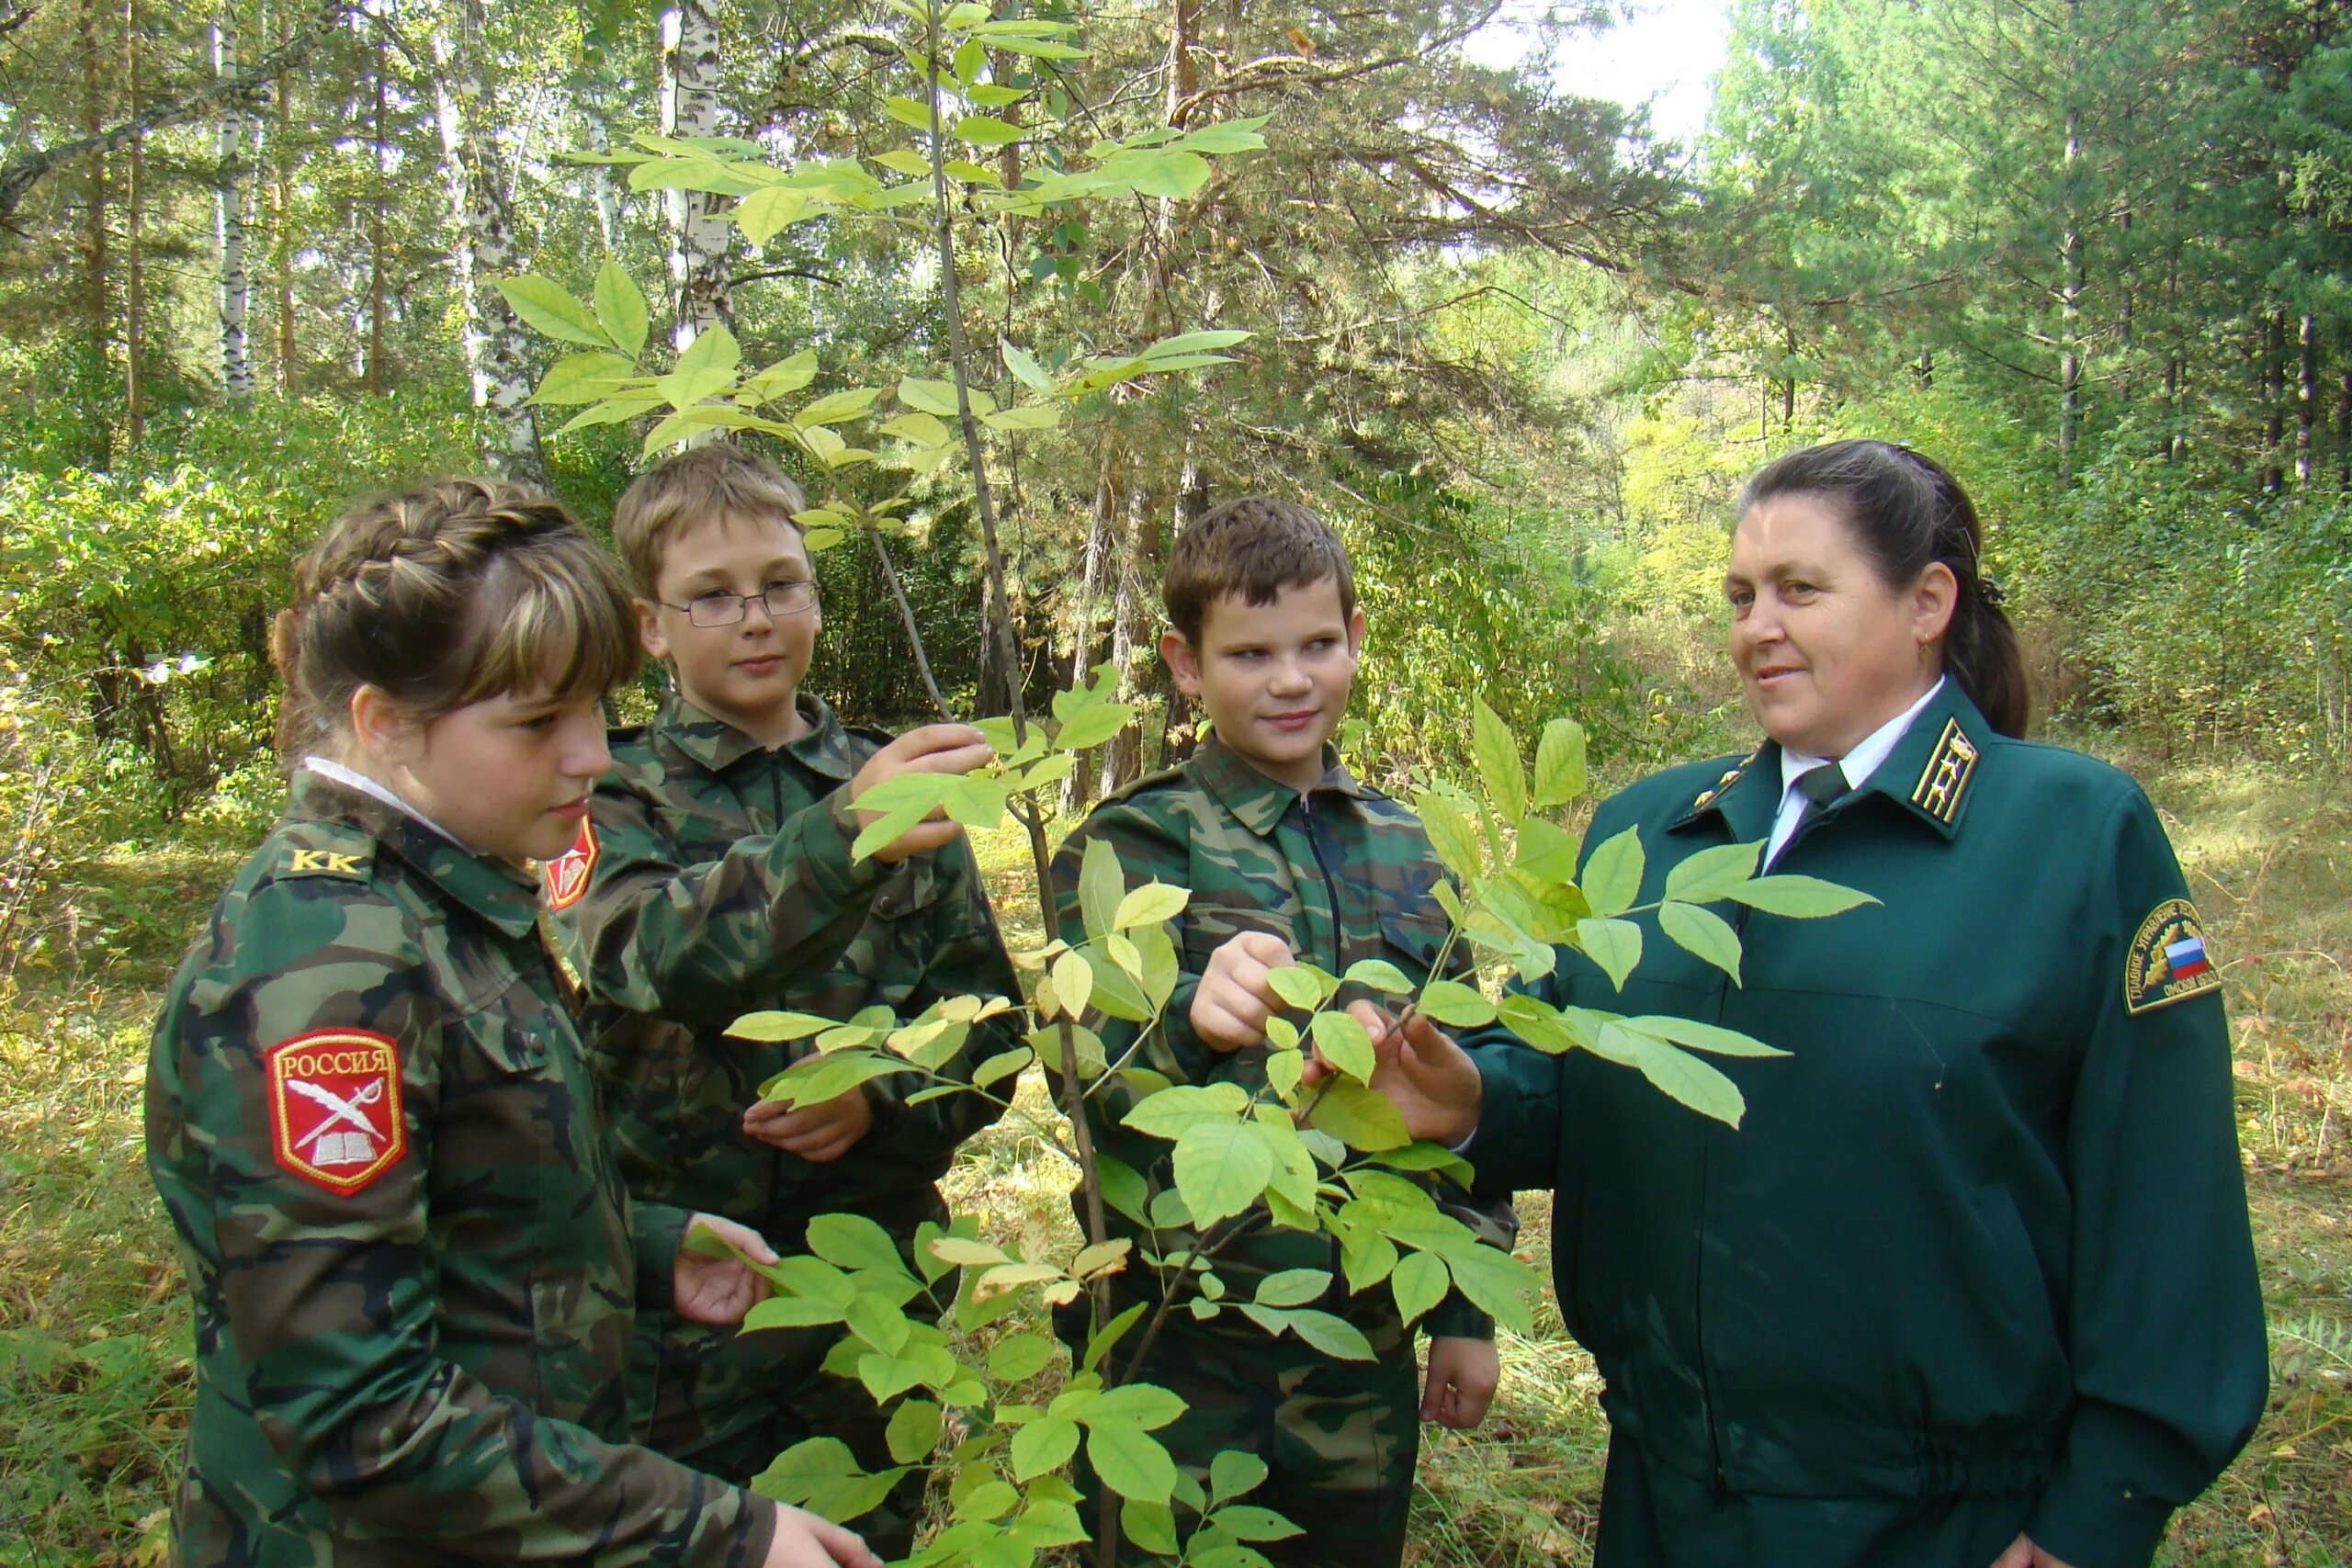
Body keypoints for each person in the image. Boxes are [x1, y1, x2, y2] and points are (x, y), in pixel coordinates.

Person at [1329, 439, 2268, 1568]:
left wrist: (2098, 1511)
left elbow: (2166, 1202)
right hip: (1667, 1497)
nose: (1754, 626)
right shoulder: (1652, 832)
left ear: (1927, 602)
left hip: (1943, 1521)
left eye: (1798, 590)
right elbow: (1577, 1097)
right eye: (1739, 596)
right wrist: (1470, 1096)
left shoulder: (2068, 836)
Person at [144, 479, 880, 1567]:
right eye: (538, 722)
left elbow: (447, 1202)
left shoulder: (449, 898)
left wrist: (641, 1245)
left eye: (593, 708)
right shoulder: (323, 965)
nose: (590, 754)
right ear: (384, 723)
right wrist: (717, 1530)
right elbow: (359, 1415)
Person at [549, 444, 1012, 1551]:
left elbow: (985, 1024)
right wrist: (848, 833)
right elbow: (647, 958)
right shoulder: (603, 793)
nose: (752, 617)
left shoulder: (901, 788)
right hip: (675, 1307)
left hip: (871, 1293)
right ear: (650, 624)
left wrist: (883, 1103)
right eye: (710, 596)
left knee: (862, 1539)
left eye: (779, 585)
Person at [1048, 495, 1517, 1567]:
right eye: (1250, 653)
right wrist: (1183, 1024)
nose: (1292, 679)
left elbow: (1469, 1086)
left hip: (1363, 1349)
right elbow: (1078, 1077)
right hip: (1180, 1345)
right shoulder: (1131, 846)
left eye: (1317, 644)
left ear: (1355, 638)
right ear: (1183, 662)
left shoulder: (1411, 847)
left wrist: (1466, 1307)